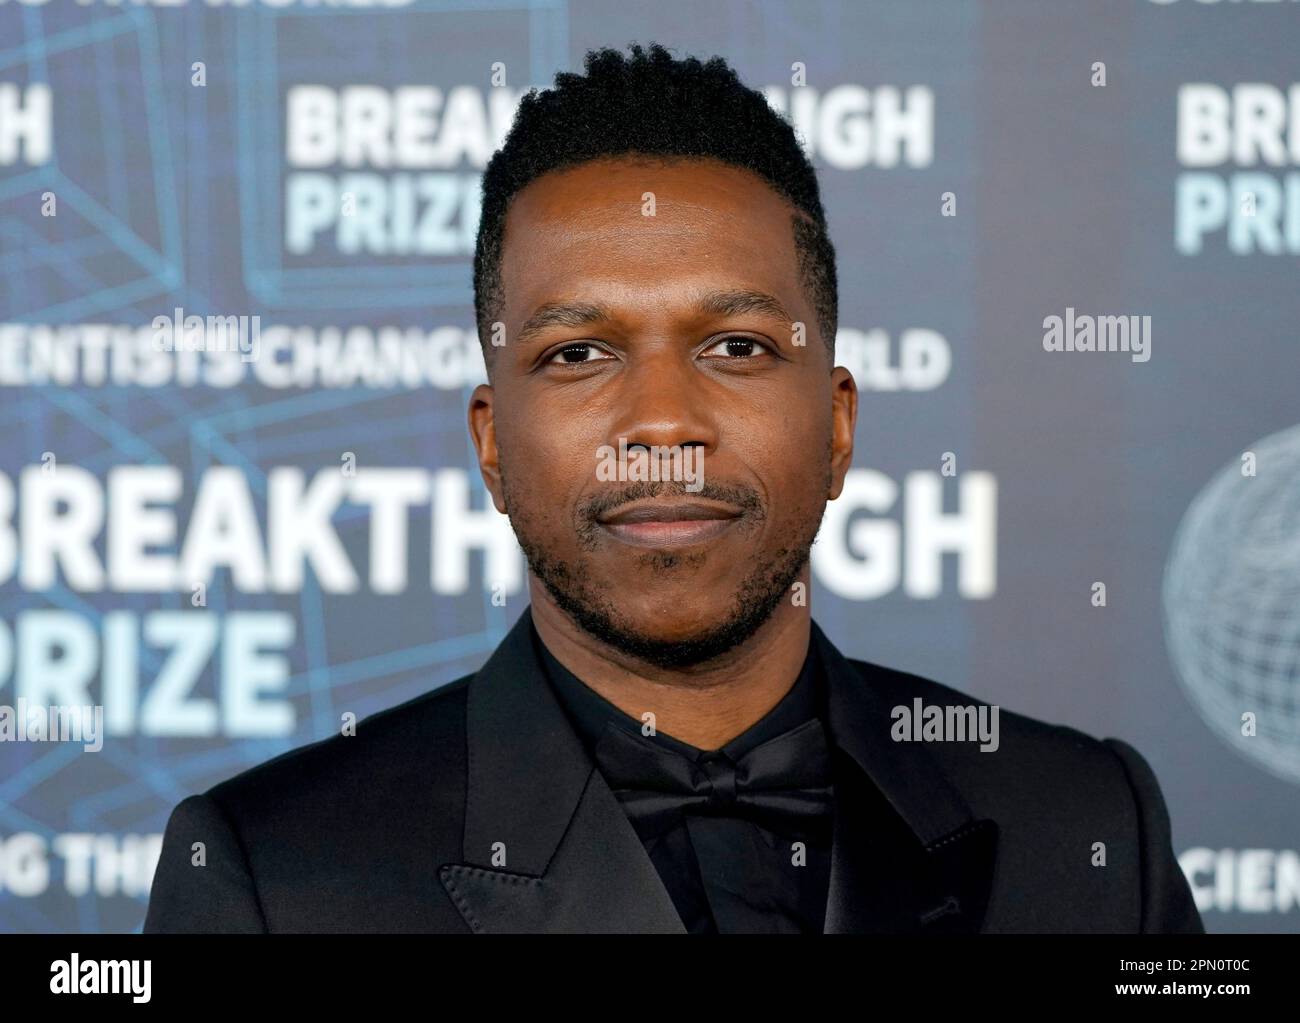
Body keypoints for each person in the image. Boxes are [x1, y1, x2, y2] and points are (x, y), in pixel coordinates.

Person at [144, 42, 1204, 935]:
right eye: (576, 354)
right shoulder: (274, 878)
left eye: (736, 345)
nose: (660, 423)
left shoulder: (1089, 829)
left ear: (837, 426)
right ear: (492, 445)